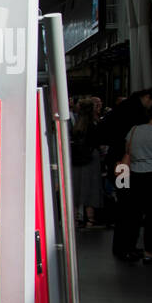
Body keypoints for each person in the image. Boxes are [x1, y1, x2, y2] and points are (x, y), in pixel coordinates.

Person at [114, 100, 152, 263]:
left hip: (136, 175)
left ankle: (128, 248)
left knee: (133, 214)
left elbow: (128, 150)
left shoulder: (134, 130)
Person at [70, 96, 103, 228]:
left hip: (76, 158)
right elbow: (97, 142)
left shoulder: (75, 125)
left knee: (76, 187)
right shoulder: (95, 125)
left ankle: (74, 219)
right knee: (91, 187)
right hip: (91, 158)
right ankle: (90, 218)